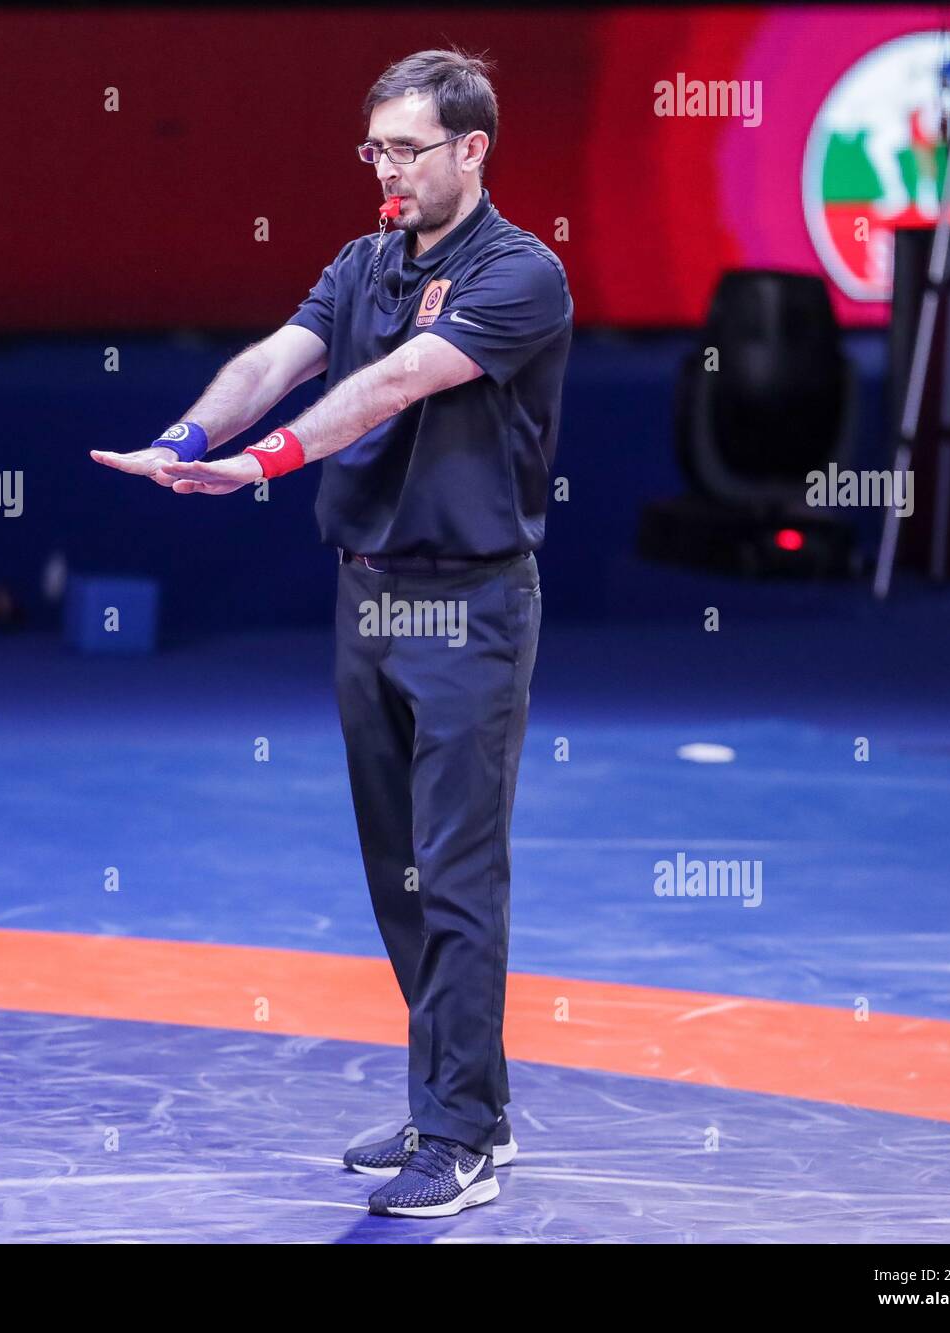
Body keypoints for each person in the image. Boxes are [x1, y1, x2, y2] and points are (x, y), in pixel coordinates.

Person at [92, 48, 573, 1218]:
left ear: (473, 150)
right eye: (375, 149)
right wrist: (192, 437)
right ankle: (464, 1103)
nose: (386, 171)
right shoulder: (364, 260)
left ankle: (456, 1137)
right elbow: (279, 359)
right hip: (368, 593)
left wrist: (258, 465)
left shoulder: (521, 274)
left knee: (460, 874)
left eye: (408, 149)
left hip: (467, 606)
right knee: (397, 871)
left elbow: (396, 383)